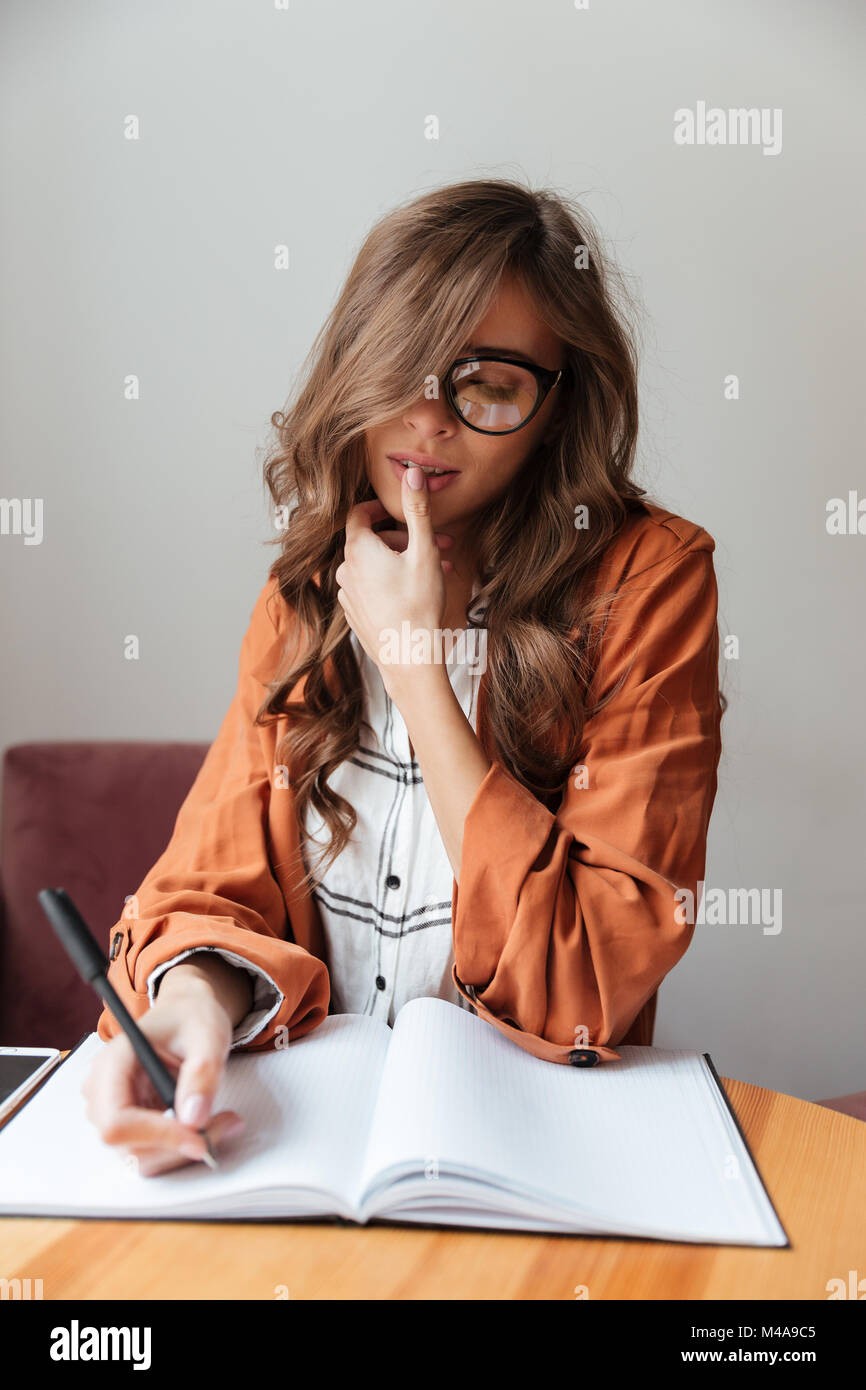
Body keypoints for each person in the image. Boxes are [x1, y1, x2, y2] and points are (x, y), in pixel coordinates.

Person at [83, 178, 723, 1175]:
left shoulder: (650, 582)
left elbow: (590, 973)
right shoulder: (305, 589)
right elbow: (210, 884)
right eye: (402, 368)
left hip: (537, 1158)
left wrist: (416, 667)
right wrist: (192, 1005)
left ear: (558, 406)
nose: (427, 420)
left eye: (489, 384)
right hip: (305, 1155)